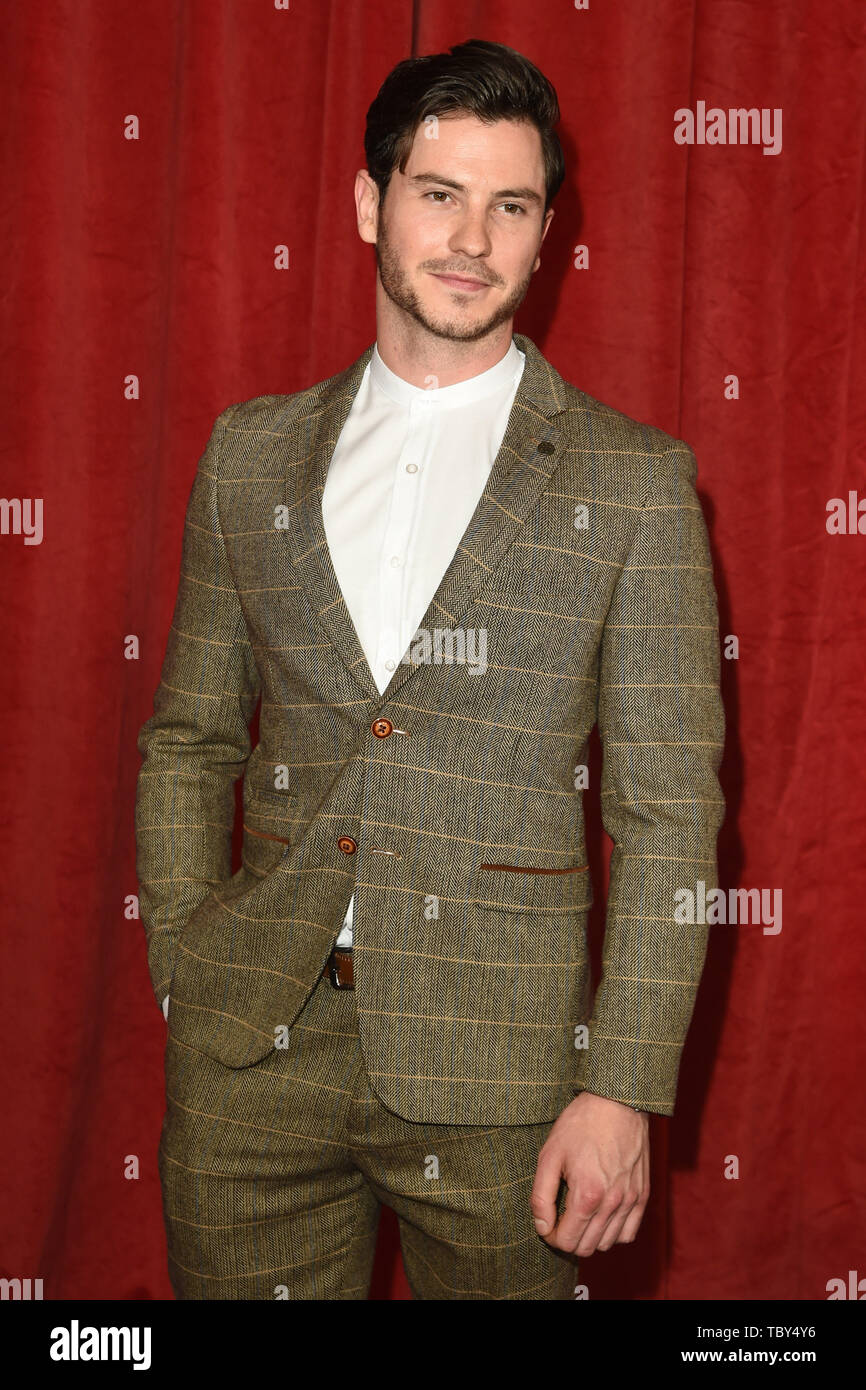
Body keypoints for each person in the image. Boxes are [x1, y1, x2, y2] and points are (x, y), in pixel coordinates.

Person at [135, 37, 725, 1300]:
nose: (472, 238)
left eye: (508, 205)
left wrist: (619, 1083)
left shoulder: (633, 484)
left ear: (543, 228)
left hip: (507, 1078)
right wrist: (186, 966)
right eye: (438, 193)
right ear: (370, 203)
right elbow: (190, 739)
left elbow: (670, 815)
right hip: (252, 1060)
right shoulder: (249, 459)